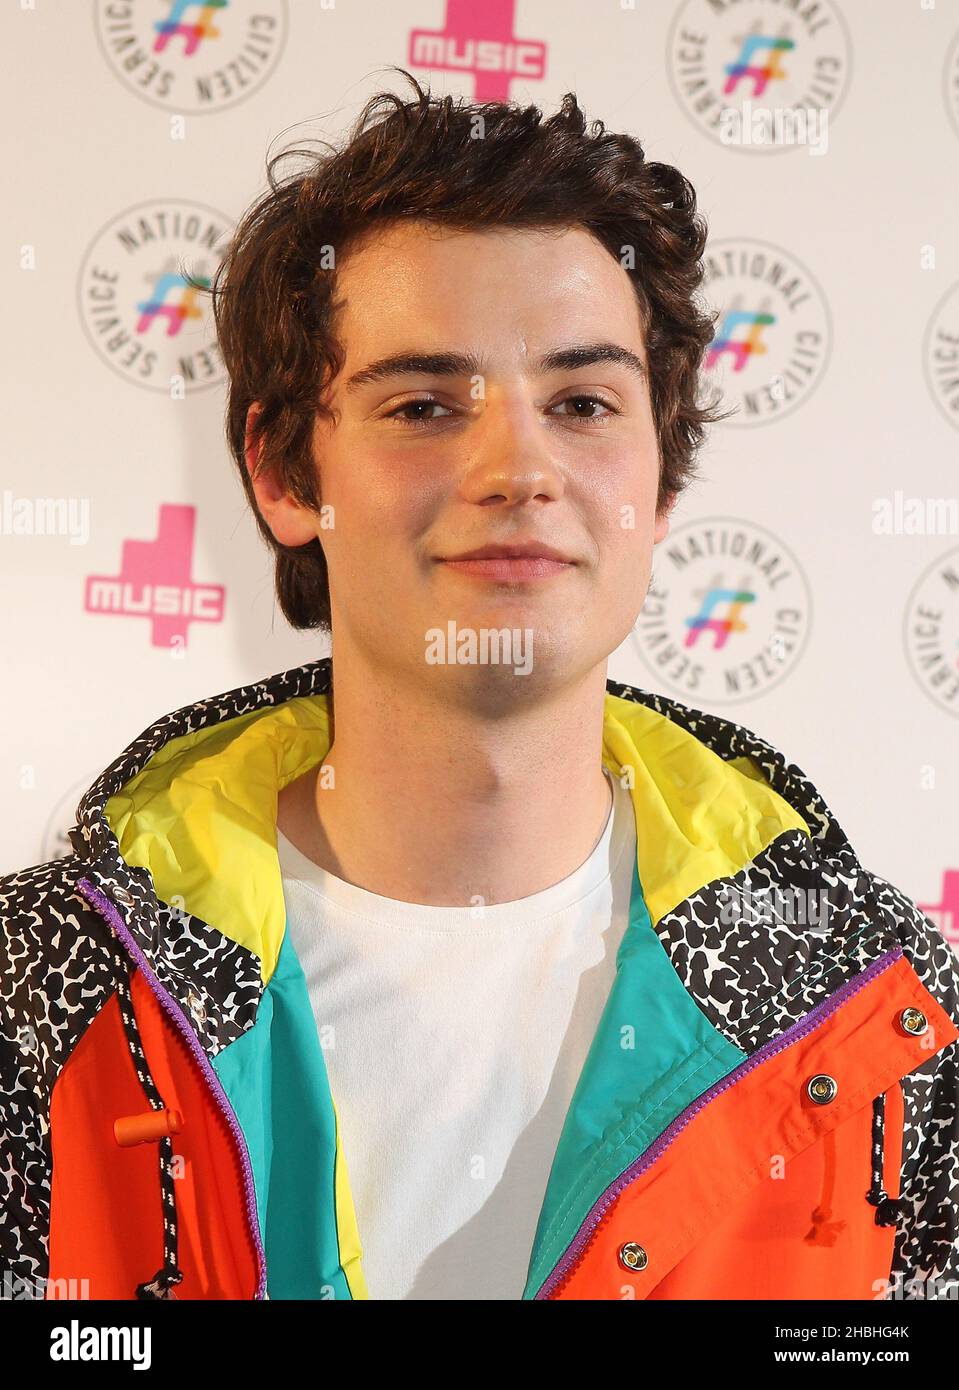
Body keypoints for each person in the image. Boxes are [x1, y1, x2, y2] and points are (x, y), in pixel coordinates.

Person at [1, 69, 956, 1303]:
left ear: (659, 481)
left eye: (581, 401)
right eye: (422, 404)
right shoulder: (36, 997)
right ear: (286, 472)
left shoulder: (881, 1014)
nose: (518, 464)